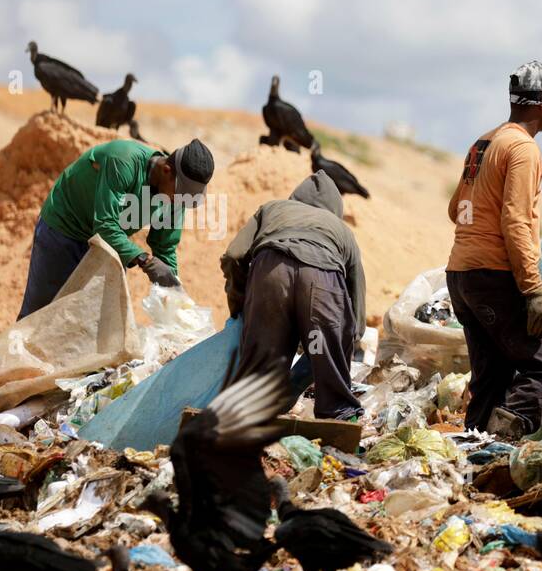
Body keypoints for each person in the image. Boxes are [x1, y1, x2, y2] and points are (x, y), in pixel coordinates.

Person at [445, 60, 542, 440]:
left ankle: (472, 451)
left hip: (460, 274)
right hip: (495, 276)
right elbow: (514, 221)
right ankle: (500, 441)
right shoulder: (523, 148)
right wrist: (532, 290)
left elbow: (456, 210)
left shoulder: (483, 142)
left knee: (492, 375)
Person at [221, 170, 367, 421]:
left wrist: (240, 303)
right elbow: (356, 294)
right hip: (322, 279)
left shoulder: (271, 209)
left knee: (262, 358)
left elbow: (234, 255)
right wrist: (349, 339)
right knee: (326, 354)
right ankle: (339, 420)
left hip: (269, 273)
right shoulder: (342, 231)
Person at [18, 137, 213, 318]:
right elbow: (105, 225)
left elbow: (164, 246)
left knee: (101, 322)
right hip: (64, 228)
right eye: (179, 193)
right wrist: (145, 260)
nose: (179, 200)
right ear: (166, 171)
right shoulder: (124, 161)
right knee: (39, 314)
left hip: (107, 246)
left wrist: (172, 289)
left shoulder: (176, 198)